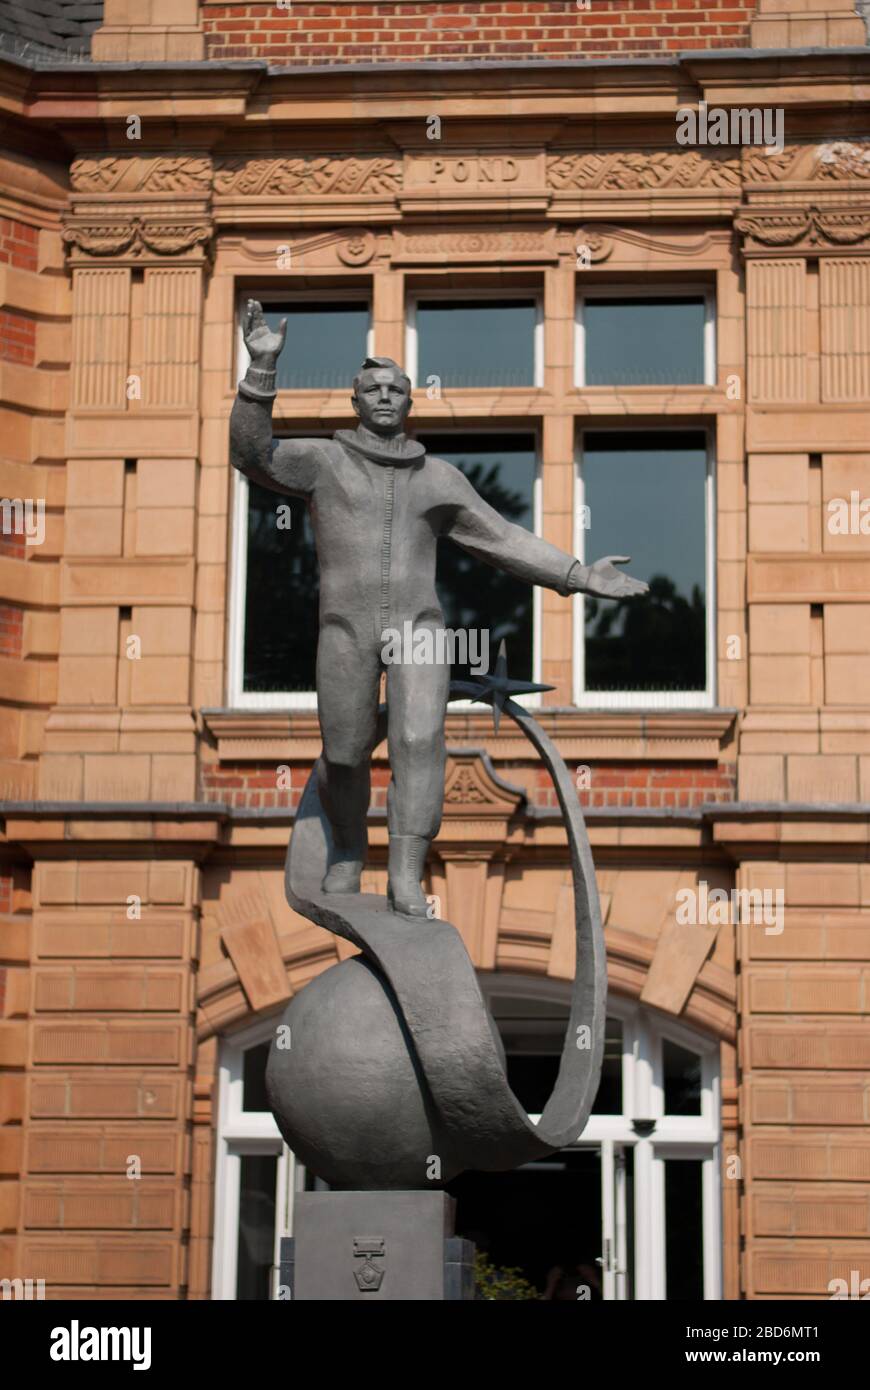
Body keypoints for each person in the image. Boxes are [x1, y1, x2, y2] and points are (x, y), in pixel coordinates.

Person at [230, 300, 647, 916]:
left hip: (418, 628)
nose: (384, 397)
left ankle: (406, 870)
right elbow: (252, 454)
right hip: (344, 628)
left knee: (420, 739)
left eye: (396, 389)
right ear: (354, 402)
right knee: (344, 752)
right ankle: (348, 848)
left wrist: (579, 575)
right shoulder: (322, 462)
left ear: (409, 401)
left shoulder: (439, 478)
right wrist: (261, 371)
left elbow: (503, 538)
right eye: (372, 389)